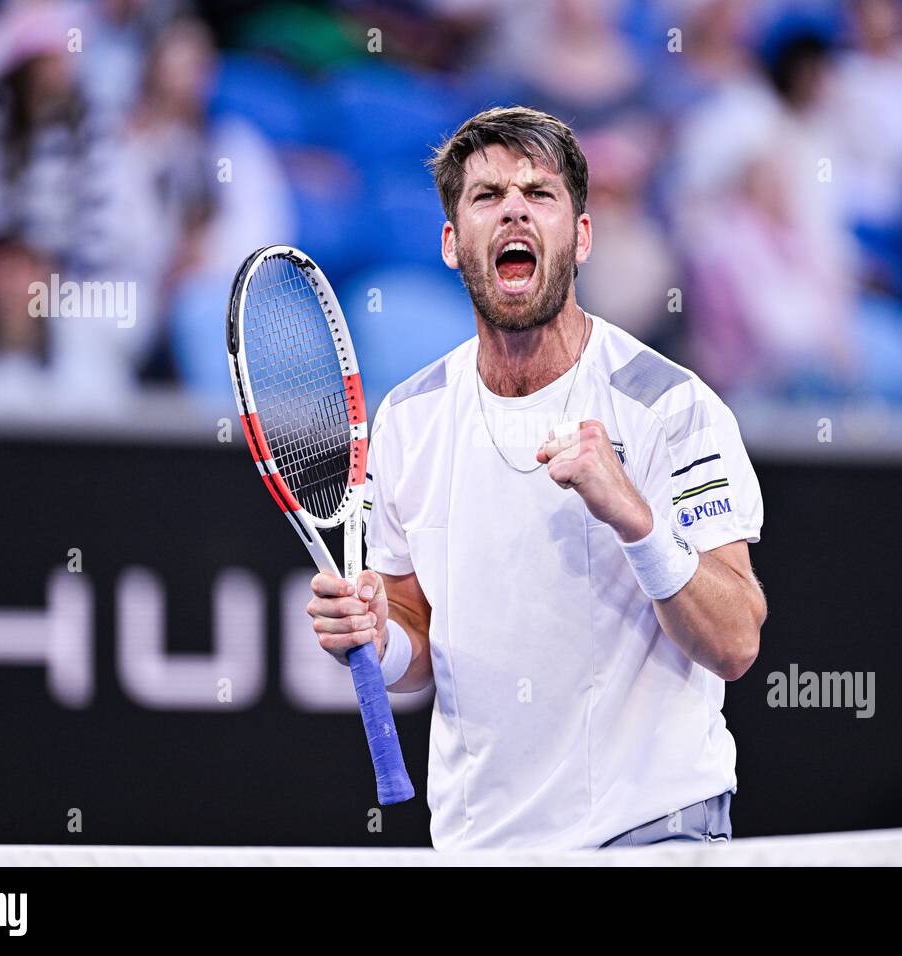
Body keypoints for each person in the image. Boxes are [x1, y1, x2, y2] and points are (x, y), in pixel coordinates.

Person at [305, 107, 767, 851]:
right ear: (454, 245)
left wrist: (637, 521)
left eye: (539, 193)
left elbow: (735, 640)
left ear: (580, 236)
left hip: (648, 829)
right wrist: (376, 637)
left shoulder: (673, 407)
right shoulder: (408, 418)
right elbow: (414, 641)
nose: (514, 207)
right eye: (486, 196)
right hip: (479, 842)